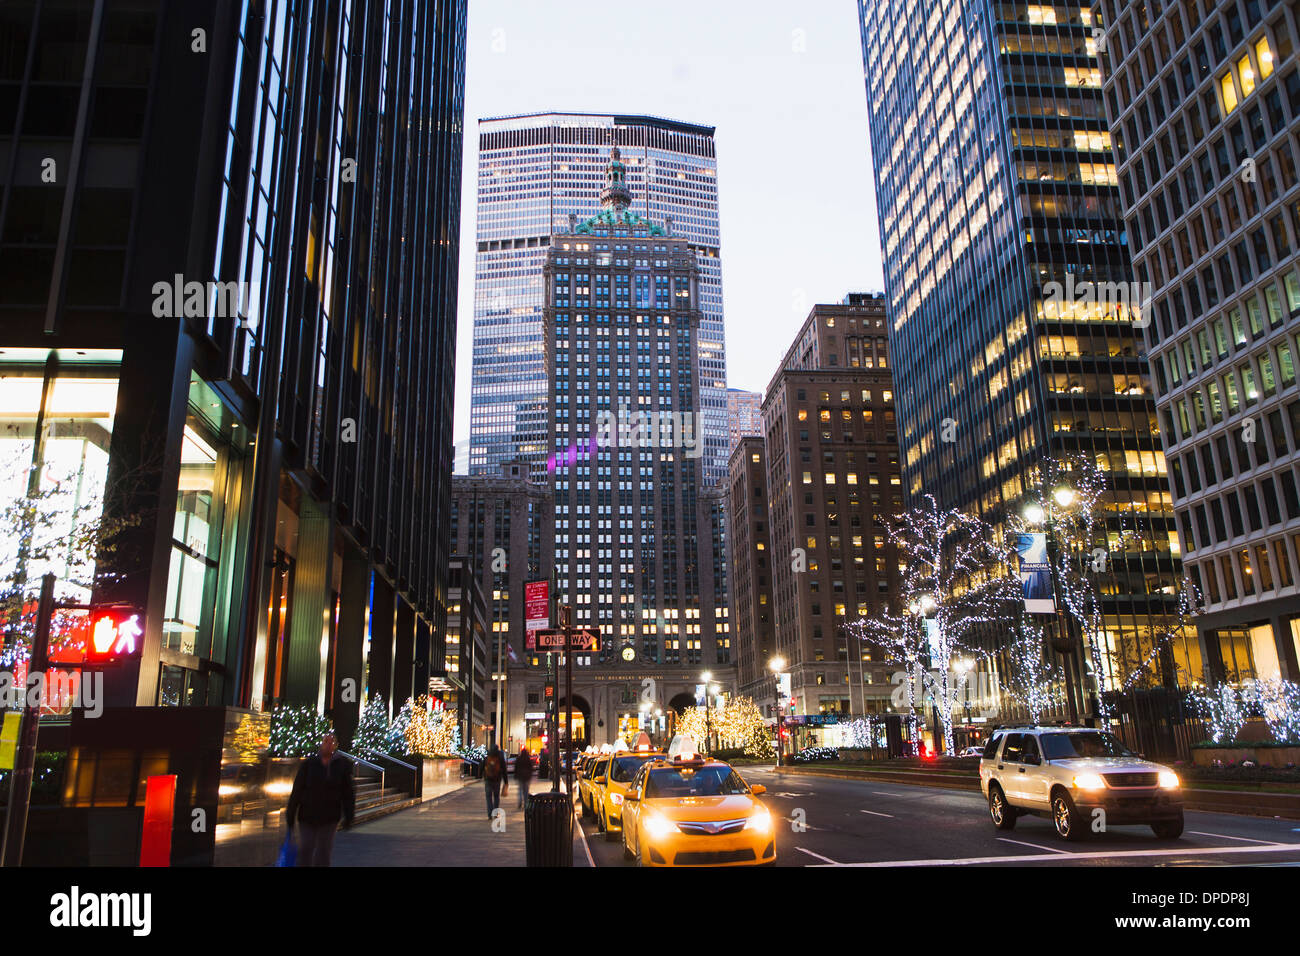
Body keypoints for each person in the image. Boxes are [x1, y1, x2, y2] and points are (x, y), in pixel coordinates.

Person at [285, 730, 354, 866]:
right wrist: (291, 813)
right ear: (321, 744)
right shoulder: (309, 764)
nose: (328, 744)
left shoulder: (341, 765)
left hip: (329, 816)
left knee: (324, 851)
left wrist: (349, 814)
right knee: (306, 848)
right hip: (308, 815)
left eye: (331, 742)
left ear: (335, 745)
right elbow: (297, 789)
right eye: (326, 741)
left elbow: (348, 792)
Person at [483, 742, 507, 818]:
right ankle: (495, 813)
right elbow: (504, 769)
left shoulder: (487, 756)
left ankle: (489, 813)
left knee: (488, 797)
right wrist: (506, 781)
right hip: (497, 779)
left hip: (488, 779)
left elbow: (481, 765)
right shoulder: (500, 757)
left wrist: (482, 775)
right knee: (496, 797)